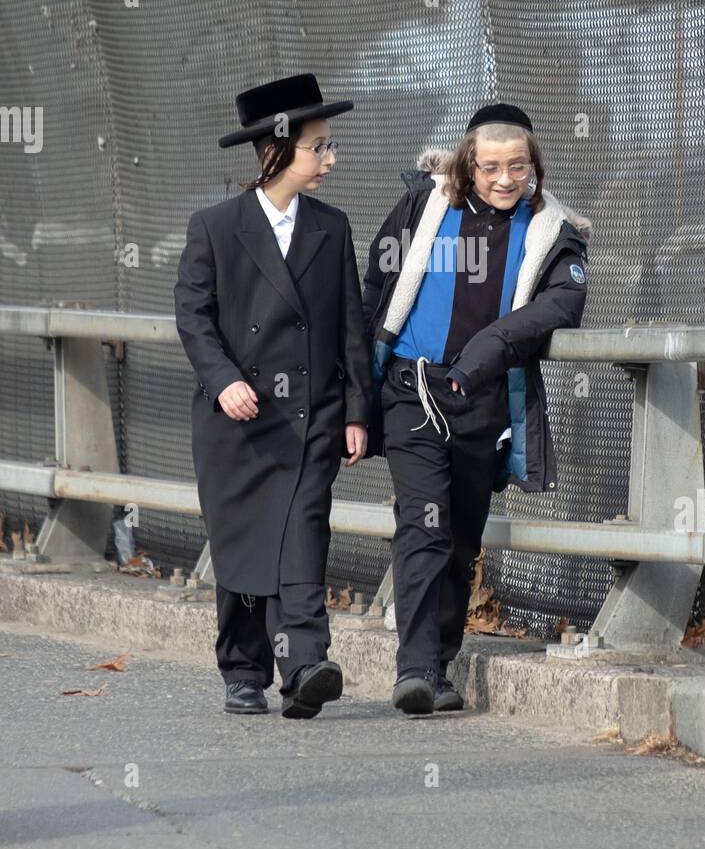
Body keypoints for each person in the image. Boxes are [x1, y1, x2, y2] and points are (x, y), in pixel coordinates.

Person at [361, 103, 592, 714]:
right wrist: (357, 385)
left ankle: (438, 664)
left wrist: (484, 352)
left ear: (534, 165)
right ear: (469, 163)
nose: (504, 179)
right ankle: (412, 669)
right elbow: (376, 283)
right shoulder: (426, 206)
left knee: (460, 539)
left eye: (517, 166)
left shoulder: (554, 231)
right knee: (423, 523)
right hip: (412, 390)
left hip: (483, 401)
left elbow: (563, 304)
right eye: (490, 166)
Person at [174, 74, 371, 720]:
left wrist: (356, 413)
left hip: (310, 418)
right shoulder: (214, 227)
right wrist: (223, 378)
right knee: (244, 545)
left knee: (302, 535)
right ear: (277, 151)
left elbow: (351, 327)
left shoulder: (332, 228)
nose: (331, 159)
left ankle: (306, 664)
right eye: (321, 147)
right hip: (237, 421)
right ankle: (243, 668)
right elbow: (193, 317)